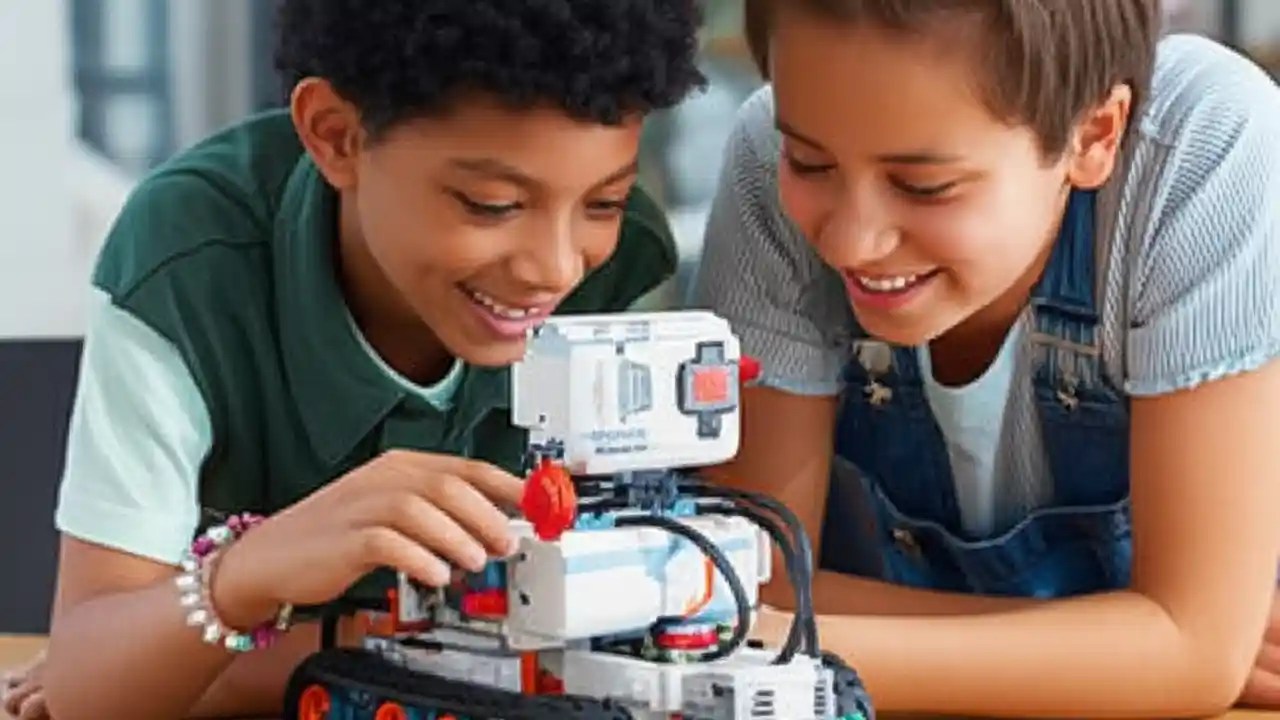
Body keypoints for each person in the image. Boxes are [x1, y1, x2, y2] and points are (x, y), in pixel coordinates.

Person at [22, 2, 704, 719]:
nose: (554, 267)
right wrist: (248, 573)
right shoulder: (188, 258)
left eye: (605, 202)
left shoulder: (620, 266)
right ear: (337, 137)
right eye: (492, 204)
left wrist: (227, 656)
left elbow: (619, 650)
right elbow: (89, 688)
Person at [693, 0, 1280, 716]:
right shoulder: (764, 153)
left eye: (924, 187)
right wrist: (1121, 647)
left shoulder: (1205, 145)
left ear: (1095, 134)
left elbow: (743, 626)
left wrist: (1169, 646)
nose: (851, 240)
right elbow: (753, 583)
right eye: (810, 163)